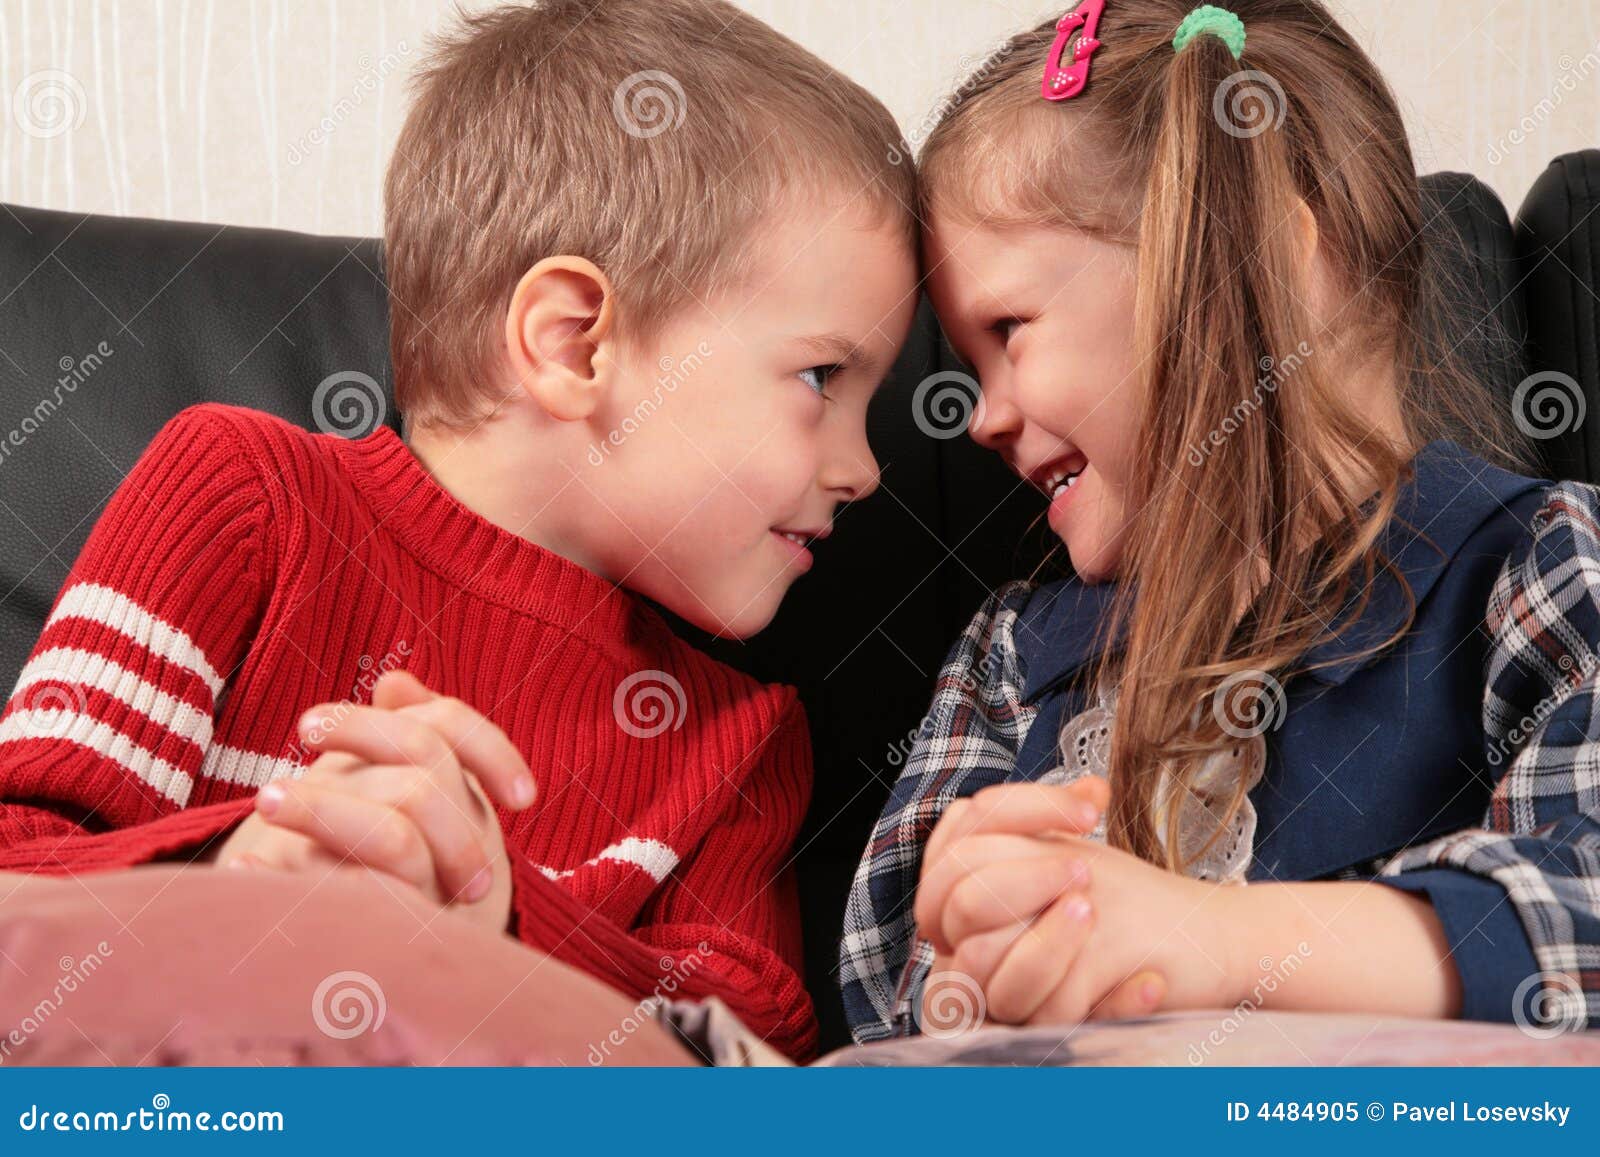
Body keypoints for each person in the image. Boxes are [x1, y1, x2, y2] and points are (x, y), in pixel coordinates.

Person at [0, 0, 919, 1063]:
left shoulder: (745, 740)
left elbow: (746, 1043)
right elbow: (22, 859)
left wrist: (489, 913)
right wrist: (239, 875)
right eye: (822, 376)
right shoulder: (243, 493)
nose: (865, 469)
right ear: (574, 345)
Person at [842, 0, 1597, 1042]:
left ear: (1256, 269)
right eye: (968, 363)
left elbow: (1585, 900)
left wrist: (1216, 938)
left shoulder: (1539, 562)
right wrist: (979, 955)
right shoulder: (1010, 655)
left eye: (1009, 330)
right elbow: (887, 992)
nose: (978, 416)